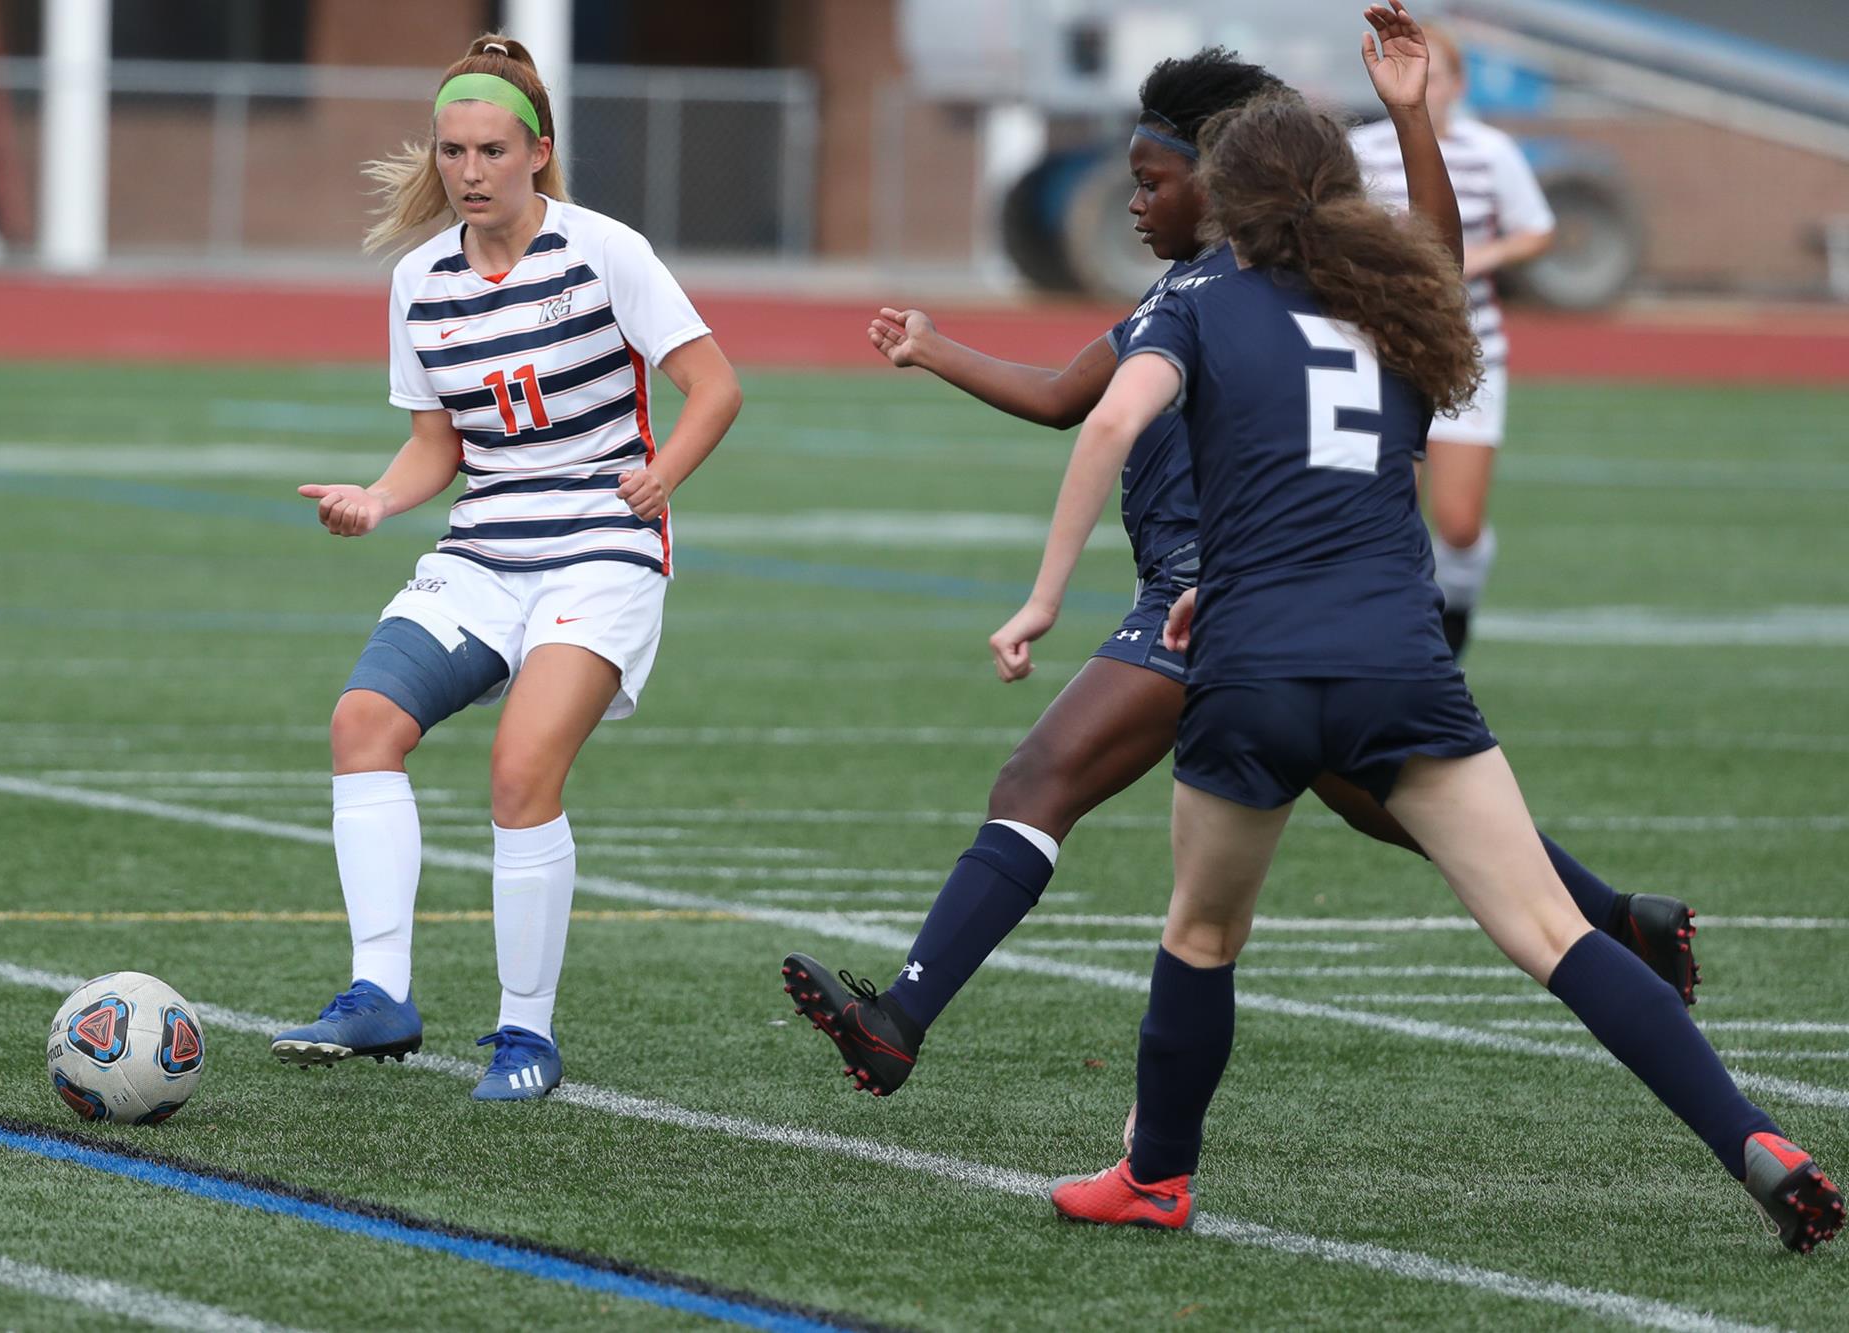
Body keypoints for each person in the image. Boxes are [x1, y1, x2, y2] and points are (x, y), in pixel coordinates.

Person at [990, 72, 1838, 1248]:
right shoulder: (1396, 308)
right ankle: (1747, 1130)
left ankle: (1155, 1175)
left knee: (1200, 936)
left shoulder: (1194, 302)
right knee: (1556, 933)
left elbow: (1109, 423)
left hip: (1251, 667)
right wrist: (1411, 116)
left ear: (1230, 200)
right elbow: (1430, 256)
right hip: (1399, 659)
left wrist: (1041, 597)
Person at [780, 12, 1691, 1106]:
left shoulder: (1232, 292)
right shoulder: (1197, 289)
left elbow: (1415, 276)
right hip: (1294, 608)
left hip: (1216, 595)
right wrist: (933, 349)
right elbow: (1068, 397)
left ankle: (899, 1020)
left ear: (1216, 184)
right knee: (1390, 799)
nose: (1132, 199)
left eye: (1151, 179)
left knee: (1040, 779)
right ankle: (1614, 918)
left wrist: (1041, 596)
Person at [270, 34, 742, 1102]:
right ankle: (377, 994)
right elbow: (439, 442)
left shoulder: (605, 250)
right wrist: (379, 499)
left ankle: (524, 1038)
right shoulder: (418, 281)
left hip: (601, 551)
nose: (468, 171)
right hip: (483, 551)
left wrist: (662, 473)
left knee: (521, 772)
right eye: (451, 151)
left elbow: (714, 387)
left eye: (489, 149)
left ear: (537, 151)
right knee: (362, 723)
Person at [1350, 24, 1554, 656]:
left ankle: (1457, 606)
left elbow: (1536, 229)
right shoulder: (1360, 151)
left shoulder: (1491, 151)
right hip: (1379, 352)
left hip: (1471, 349)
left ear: (1460, 86)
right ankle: (1396, 640)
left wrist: (1476, 256)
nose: (1427, 89)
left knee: (1458, 523)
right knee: (1389, 514)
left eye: (1438, 76)